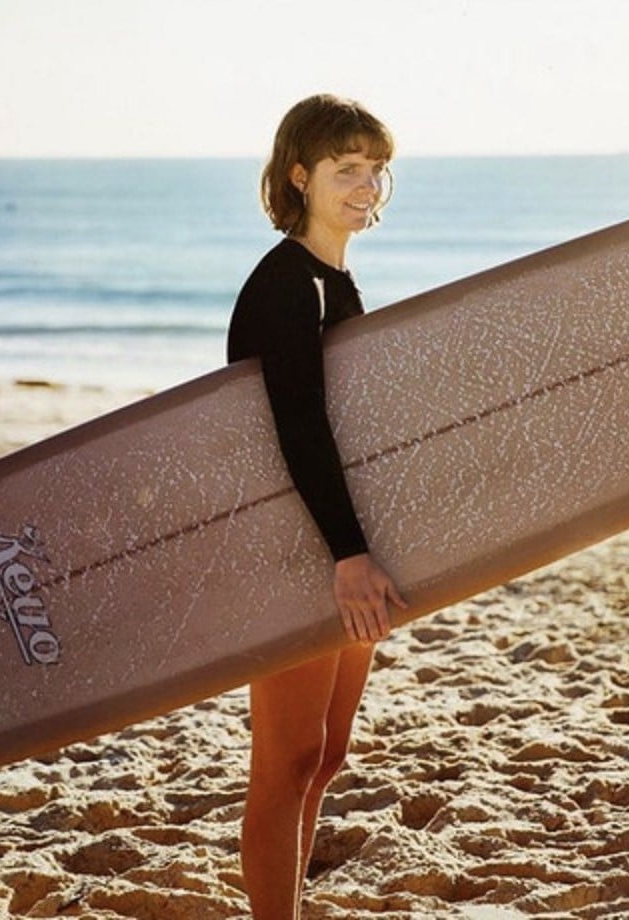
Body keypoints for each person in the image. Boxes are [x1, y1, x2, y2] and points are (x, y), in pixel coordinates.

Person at [227, 94, 408, 920]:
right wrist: (349, 555)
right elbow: (297, 429)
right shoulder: (286, 287)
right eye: (347, 170)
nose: (367, 185)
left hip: (338, 539)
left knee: (327, 755)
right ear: (300, 175)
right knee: (289, 761)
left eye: (375, 169)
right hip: (294, 546)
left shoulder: (335, 280)